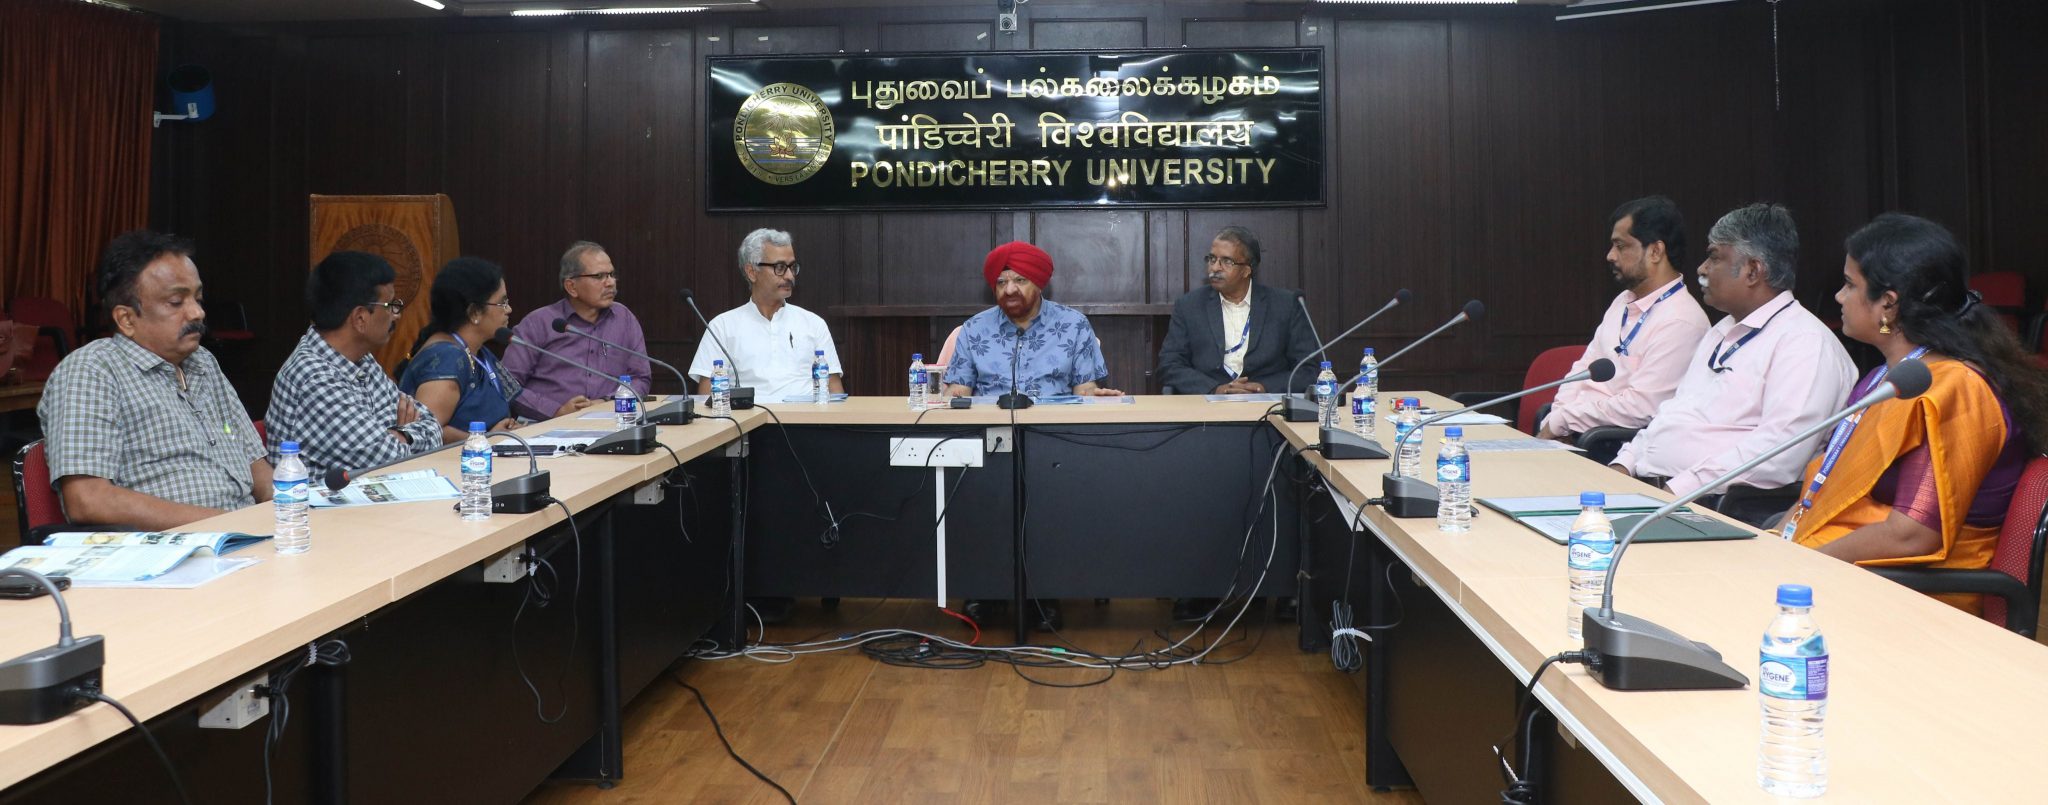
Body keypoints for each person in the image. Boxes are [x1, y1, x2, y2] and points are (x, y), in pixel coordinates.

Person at [1784, 213, 2048, 615]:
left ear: (1888, 304)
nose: (1838, 297)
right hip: (1851, 574)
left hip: (1917, 599)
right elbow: (1829, 485)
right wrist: (1779, 541)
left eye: (1850, 284)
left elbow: (1912, 536)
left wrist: (1803, 566)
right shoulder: (1882, 379)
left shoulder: (1953, 389)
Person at [1609, 205, 1854, 523]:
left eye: (1714, 257)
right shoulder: (1722, 330)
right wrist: (1624, 464)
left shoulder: (1805, 342)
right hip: (1661, 498)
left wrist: (1677, 490)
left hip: (1717, 510)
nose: (1702, 268)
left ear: (1753, 271)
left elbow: (1778, 454)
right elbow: (1675, 414)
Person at [36, 230, 271, 529]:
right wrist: (230, 525)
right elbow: (87, 500)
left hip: (244, 539)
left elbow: (256, 465)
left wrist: (296, 513)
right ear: (127, 319)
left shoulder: (203, 363)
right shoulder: (92, 370)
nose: (197, 312)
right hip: (169, 553)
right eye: (176, 302)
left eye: (198, 298)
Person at [1540, 196, 1709, 450]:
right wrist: (1558, 417)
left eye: (1621, 246)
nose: (1610, 256)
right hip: (1575, 435)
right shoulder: (1622, 301)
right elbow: (1583, 368)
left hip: (1612, 446)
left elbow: (1641, 407)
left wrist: (1564, 420)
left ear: (1655, 251)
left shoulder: (1682, 321)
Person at [266, 251, 442, 480]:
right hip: (318, 512)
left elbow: (433, 428)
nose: (396, 315)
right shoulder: (314, 378)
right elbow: (392, 459)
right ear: (360, 318)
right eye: (390, 305)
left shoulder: (361, 360)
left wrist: (401, 435)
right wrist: (398, 434)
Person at [943, 241, 1123, 399]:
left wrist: (1096, 397)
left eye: (1020, 280)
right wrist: (948, 399)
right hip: (991, 430)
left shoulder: (1074, 325)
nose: (1009, 290)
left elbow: (1085, 389)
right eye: (1001, 282)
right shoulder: (974, 329)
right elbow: (959, 392)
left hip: (1054, 429)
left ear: (1039, 285)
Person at [1156, 225, 1319, 394]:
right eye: (1212, 259)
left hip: (1267, 410)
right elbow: (1169, 365)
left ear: (1247, 270)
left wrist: (1263, 387)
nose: (1215, 268)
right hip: (1208, 410)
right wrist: (1214, 389)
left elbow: (1308, 369)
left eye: (1227, 261)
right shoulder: (1189, 306)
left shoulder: (1286, 305)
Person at [688, 228, 845, 399]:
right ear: (752, 272)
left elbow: (835, 390)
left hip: (805, 422)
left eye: (792, 267)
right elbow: (706, 395)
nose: (789, 275)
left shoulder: (814, 323)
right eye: (780, 267)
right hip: (747, 424)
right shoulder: (722, 326)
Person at [504, 241, 652, 420]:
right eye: (599, 276)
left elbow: (640, 378)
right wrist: (555, 411)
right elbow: (507, 384)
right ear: (571, 287)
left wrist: (607, 401)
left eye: (612, 274)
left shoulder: (623, 318)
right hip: (546, 425)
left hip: (611, 421)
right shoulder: (539, 323)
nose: (610, 283)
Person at [398, 257, 523, 444]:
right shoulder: (445, 359)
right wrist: (487, 439)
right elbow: (425, 432)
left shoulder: (478, 352)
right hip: (454, 467)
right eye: (502, 303)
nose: (509, 309)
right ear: (474, 312)